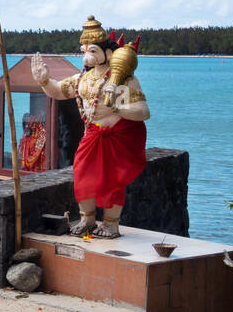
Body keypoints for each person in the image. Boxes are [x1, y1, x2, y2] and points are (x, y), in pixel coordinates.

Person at [30, 16, 149, 238]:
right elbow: (58, 91)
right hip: (92, 133)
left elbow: (143, 111)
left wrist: (118, 109)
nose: (87, 55)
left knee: (112, 180)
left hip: (116, 135)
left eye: (93, 51)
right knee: (82, 173)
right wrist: (44, 81)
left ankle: (111, 223)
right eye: (84, 50)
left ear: (109, 53)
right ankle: (88, 219)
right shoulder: (82, 79)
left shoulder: (124, 80)